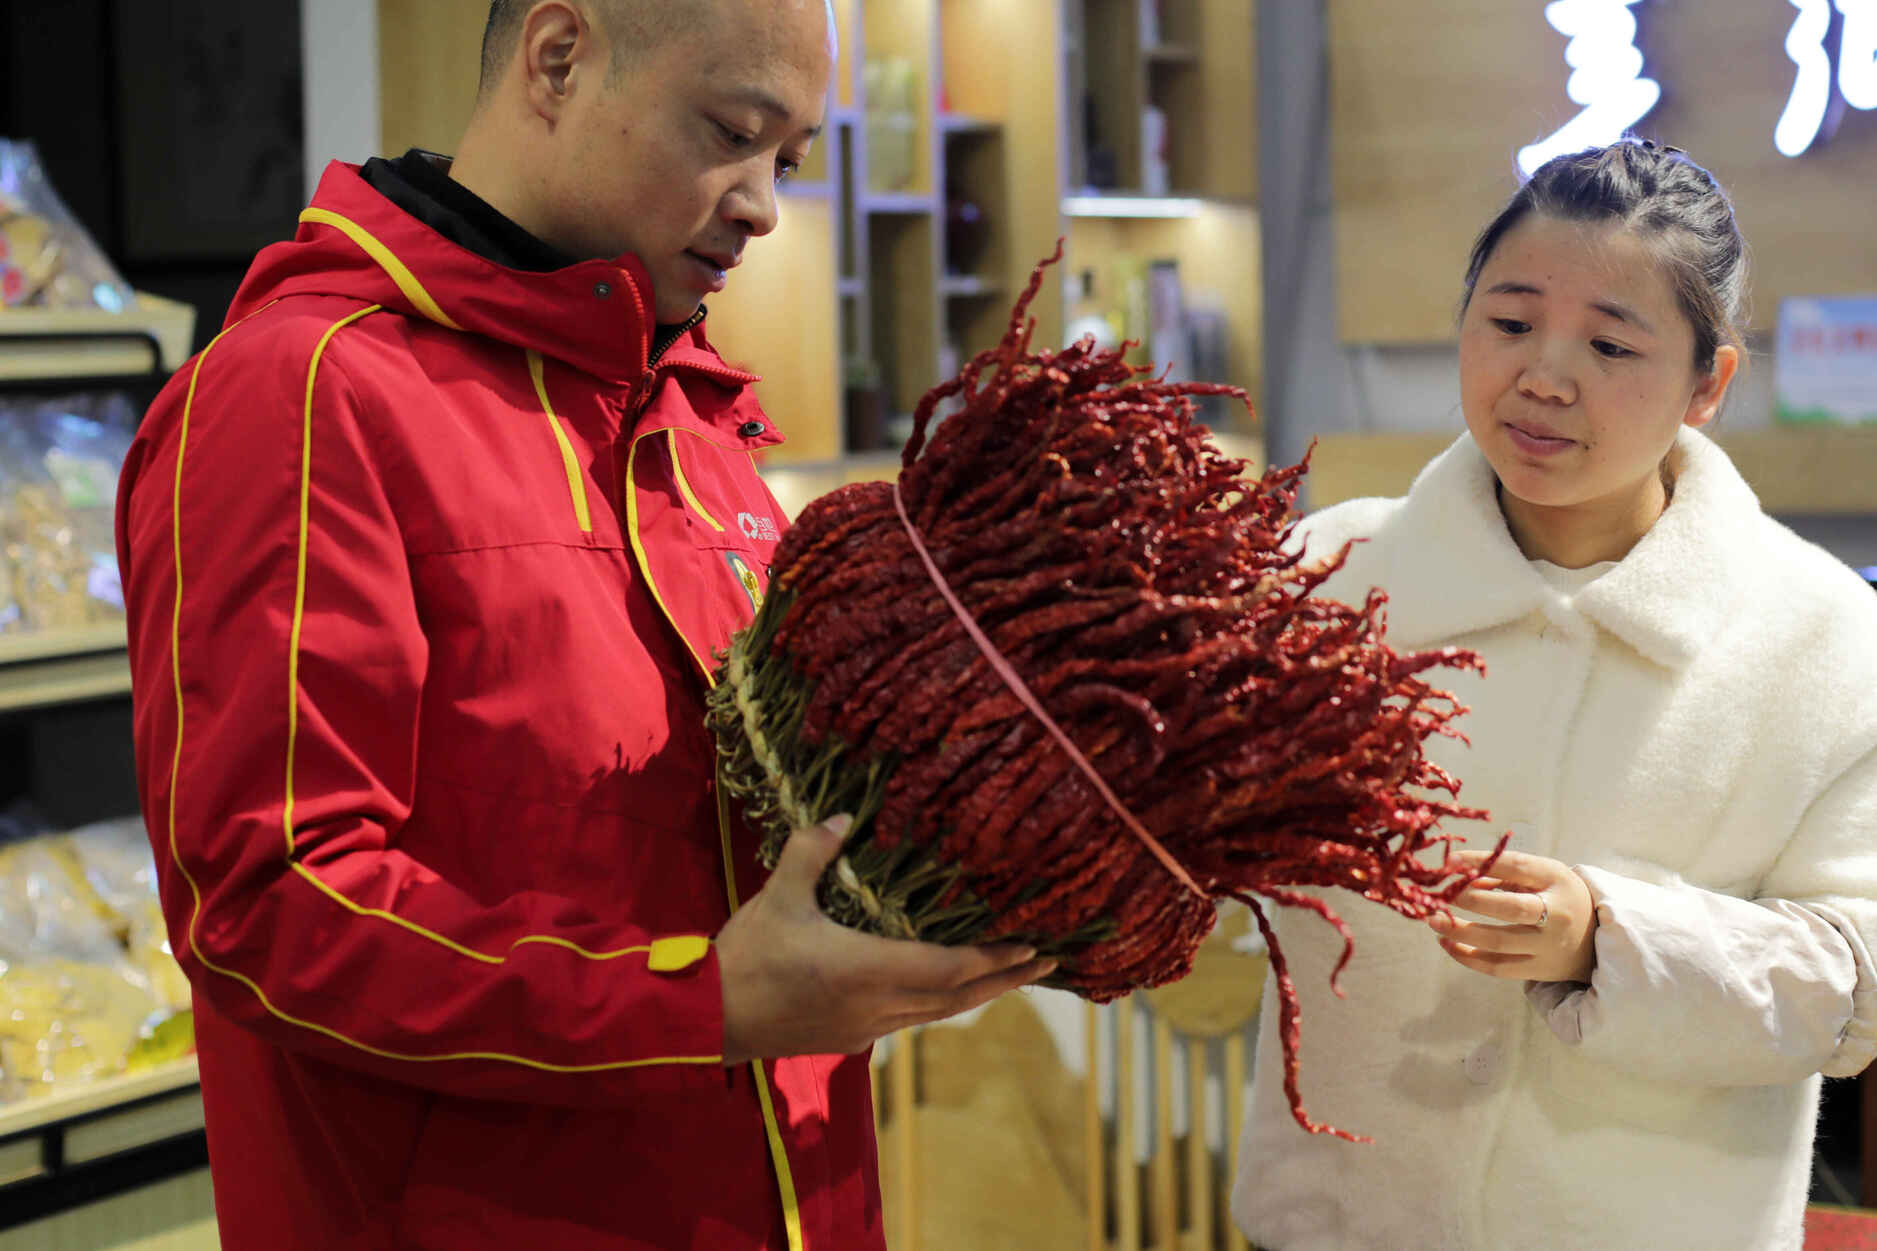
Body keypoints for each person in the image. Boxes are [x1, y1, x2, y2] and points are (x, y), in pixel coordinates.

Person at [112, 3, 1054, 1248]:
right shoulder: (298, 396)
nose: (763, 205)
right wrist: (699, 1002)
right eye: (732, 133)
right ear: (559, 58)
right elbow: (268, 910)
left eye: (790, 160)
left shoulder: (701, 429)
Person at [1230, 139, 1877, 1251]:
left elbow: (1853, 980)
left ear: (1705, 384)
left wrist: (1612, 940)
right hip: (1340, 1225)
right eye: (1510, 321)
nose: (1542, 375)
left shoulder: (1819, 636)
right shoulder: (1324, 578)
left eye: (1609, 343)